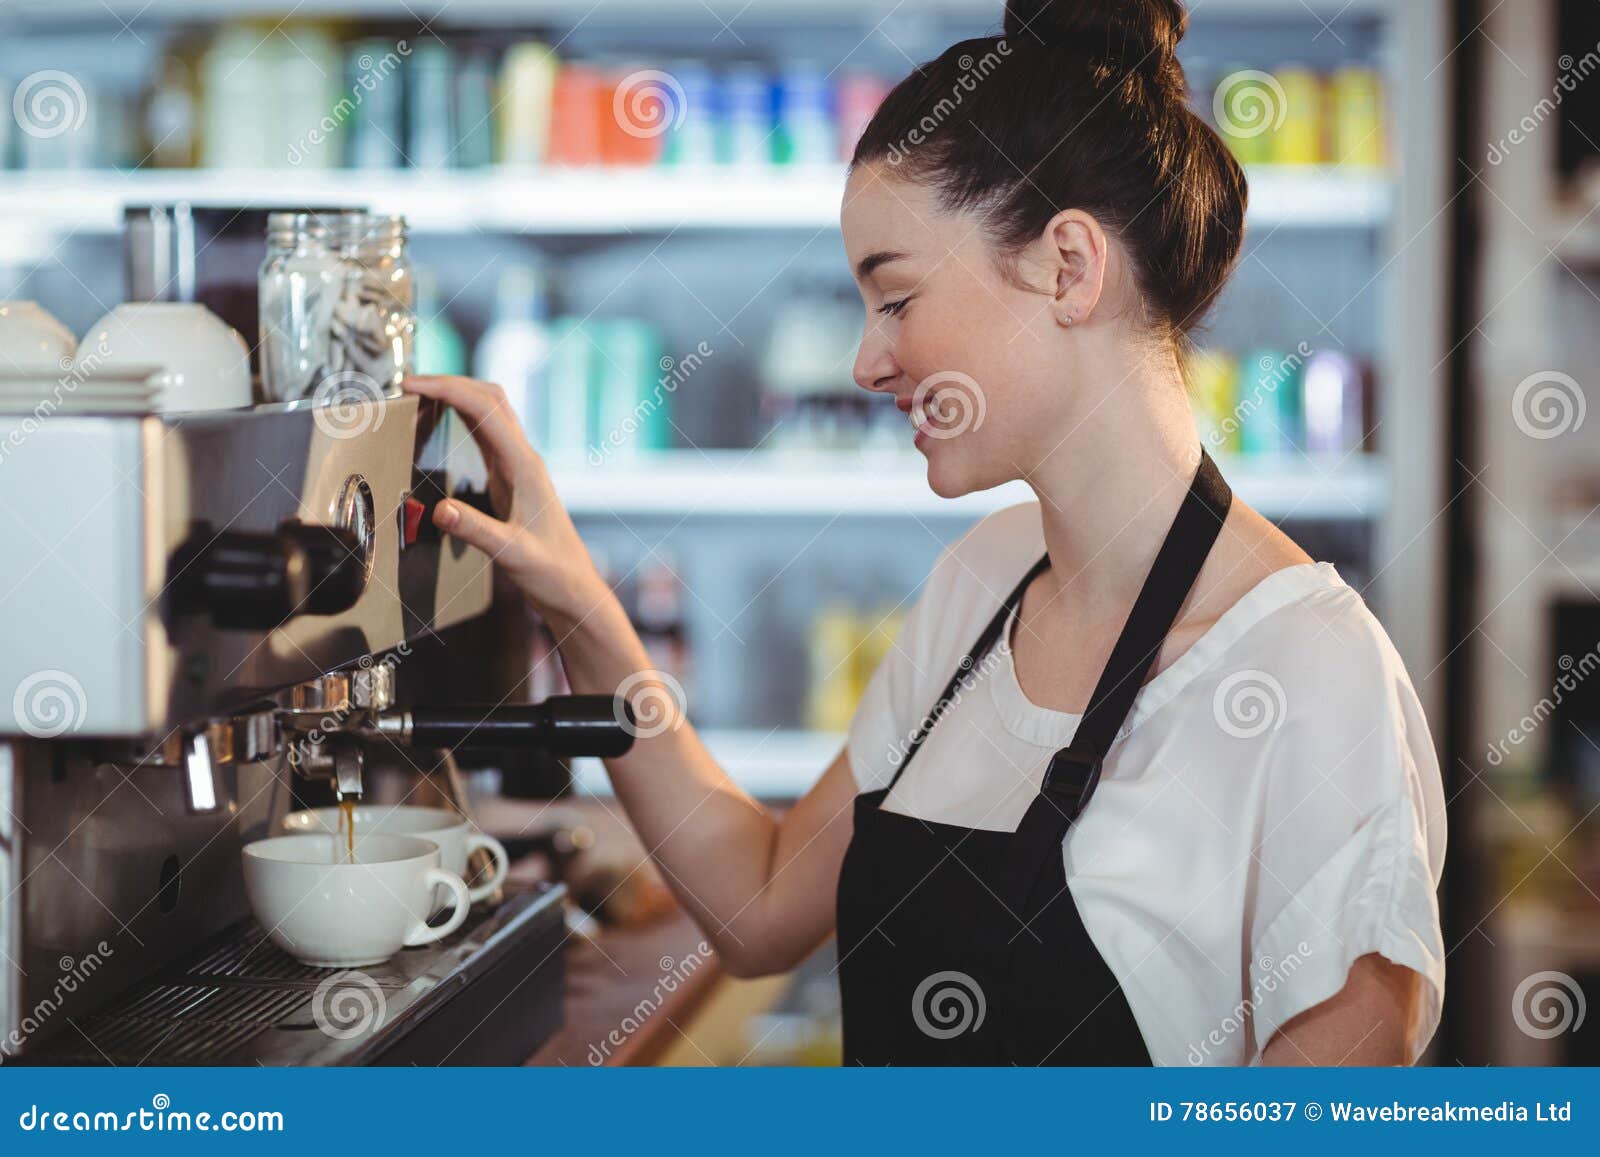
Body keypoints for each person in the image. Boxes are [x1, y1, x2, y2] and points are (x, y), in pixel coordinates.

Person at [403, 0, 1445, 1066]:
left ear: (1069, 268)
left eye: (894, 298)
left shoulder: (1310, 671)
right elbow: (759, 902)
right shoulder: (982, 584)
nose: (865, 362)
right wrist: (574, 593)